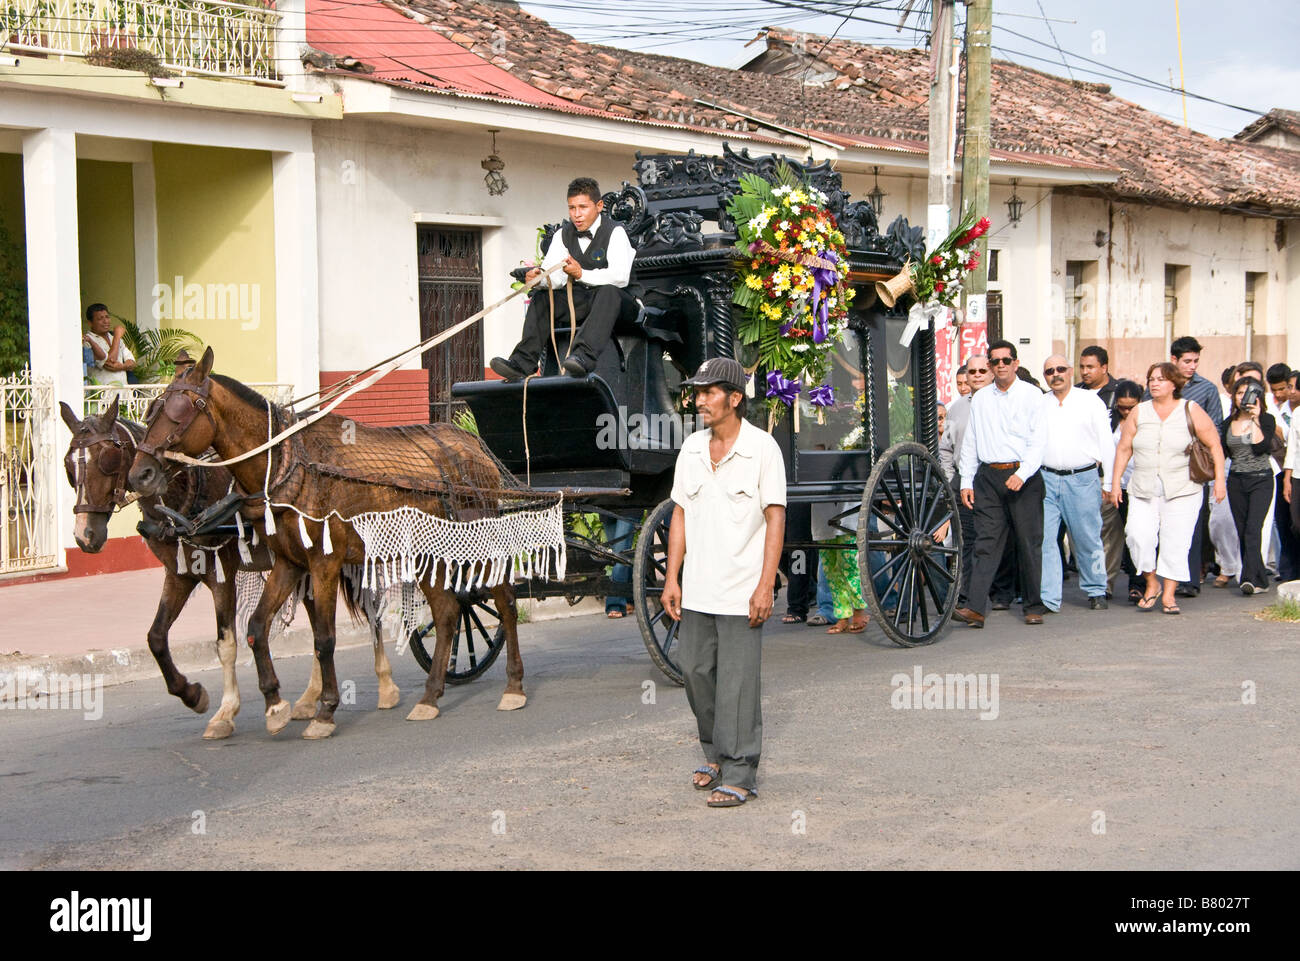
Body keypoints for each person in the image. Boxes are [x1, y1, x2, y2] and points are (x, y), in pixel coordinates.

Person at [661, 357, 785, 808]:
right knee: (694, 673)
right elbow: (680, 513)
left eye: (709, 392)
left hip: (741, 589)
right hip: (697, 588)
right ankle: (715, 751)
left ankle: (740, 771)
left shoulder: (762, 449)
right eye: (697, 392)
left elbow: (775, 519)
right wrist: (671, 576)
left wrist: (766, 585)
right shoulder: (692, 448)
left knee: (737, 683)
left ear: (735, 399)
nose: (699, 400)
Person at [490, 177, 639, 380]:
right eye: (572, 208)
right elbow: (556, 277)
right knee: (543, 298)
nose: (576, 215)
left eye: (583, 207)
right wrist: (539, 278)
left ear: (599, 206)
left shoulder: (616, 232)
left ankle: (583, 358)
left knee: (608, 291)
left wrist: (581, 274)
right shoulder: (563, 235)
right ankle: (522, 363)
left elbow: (620, 277)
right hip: (583, 302)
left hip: (621, 304)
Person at [1111, 363, 1225, 614]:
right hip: (1143, 487)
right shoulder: (1140, 412)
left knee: (1176, 541)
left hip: (1183, 488)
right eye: (1151, 379)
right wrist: (1115, 483)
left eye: (1161, 379)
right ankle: (1152, 583)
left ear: (1174, 383)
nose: (1154, 383)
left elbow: (1215, 444)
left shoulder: (1190, 409)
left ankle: (1169, 594)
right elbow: (1123, 449)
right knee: (1137, 536)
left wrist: (1219, 481)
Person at [955, 340, 1048, 627]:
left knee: (1028, 543)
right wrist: (966, 480)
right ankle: (975, 608)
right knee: (986, 543)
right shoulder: (981, 398)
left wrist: (1024, 473)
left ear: (1016, 363)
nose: (1000, 366)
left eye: (1005, 360)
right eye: (995, 362)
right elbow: (971, 441)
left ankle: (1033, 606)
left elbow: (1039, 440)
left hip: (1024, 475)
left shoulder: (1033, 395)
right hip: (988, 476)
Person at [1039, 355, 1115, 612]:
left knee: (1086, 537)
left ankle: (1096, 589)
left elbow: (1106, 442)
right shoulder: (1041, 403)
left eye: (1061, 369)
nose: (1055, 374)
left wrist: (1110, 483)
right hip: (1046, 478)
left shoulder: (1089, 401)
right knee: (1047, 539)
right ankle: (1049, 598)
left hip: (1082, 478)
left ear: (1070, 371)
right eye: (1050, 371)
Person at [1160, 337, 1223, 599]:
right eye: (1187, 361)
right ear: (1174, 360)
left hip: (1192, 468)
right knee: (1162, 525)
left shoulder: (1207, 390)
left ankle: (1189, 579)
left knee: (1192, 525)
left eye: (1196, 361)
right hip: (1161, 466)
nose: (1192, 366)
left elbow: (1216, 429)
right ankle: (1161, 578)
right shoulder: (1158, 384)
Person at [939, 354, 992, 609]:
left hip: (994, 475)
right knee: (967, 538)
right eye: (973, 371)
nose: (978, 375)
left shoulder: (1000, 402)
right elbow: (946, 447)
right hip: (964, 478)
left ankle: (1001, 591)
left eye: (983, 370)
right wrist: (952, 478)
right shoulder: (957, 408)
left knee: (993, 537)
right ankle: (966, 594)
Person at [1221, 376, 1281, 594]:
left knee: (1253, 528)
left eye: (1248, 393)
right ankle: (1260, 581)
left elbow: (1261, 447)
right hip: (1236, 479)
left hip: (1261, 478)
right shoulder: (1228, 423)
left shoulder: (1266, 420)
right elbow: (1224, 453)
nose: (1243, 397)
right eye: (1239, 393)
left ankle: (1247, 578)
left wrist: (1255, 419)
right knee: (1242, 529)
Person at [1102, 380, 1144, 602]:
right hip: (1113, 485)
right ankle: (1105, 584)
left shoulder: (1146, 420)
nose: (1127, 411)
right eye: (1122, 407)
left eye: (1131, 407)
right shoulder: (1110, 422)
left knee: (1136, 535)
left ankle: (1137, 584)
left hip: (1139, 485)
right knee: (1109, 536)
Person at [83, 303, 136, 387]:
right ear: (90, 323)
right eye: (100, 318)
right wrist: (117, 336)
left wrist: (121, 367)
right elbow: (109, 361)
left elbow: (132, 363)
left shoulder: (113, 338)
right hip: (103, 395)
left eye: (107, 317)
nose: (106, 321)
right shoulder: (87, 341)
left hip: (123, 393)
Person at [1078, 345, 1120, 412]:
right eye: (1082, 367)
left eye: (1090, 367)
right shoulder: (1074, 392)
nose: (1084, 372)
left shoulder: (1119, 392)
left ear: (1104, 368)